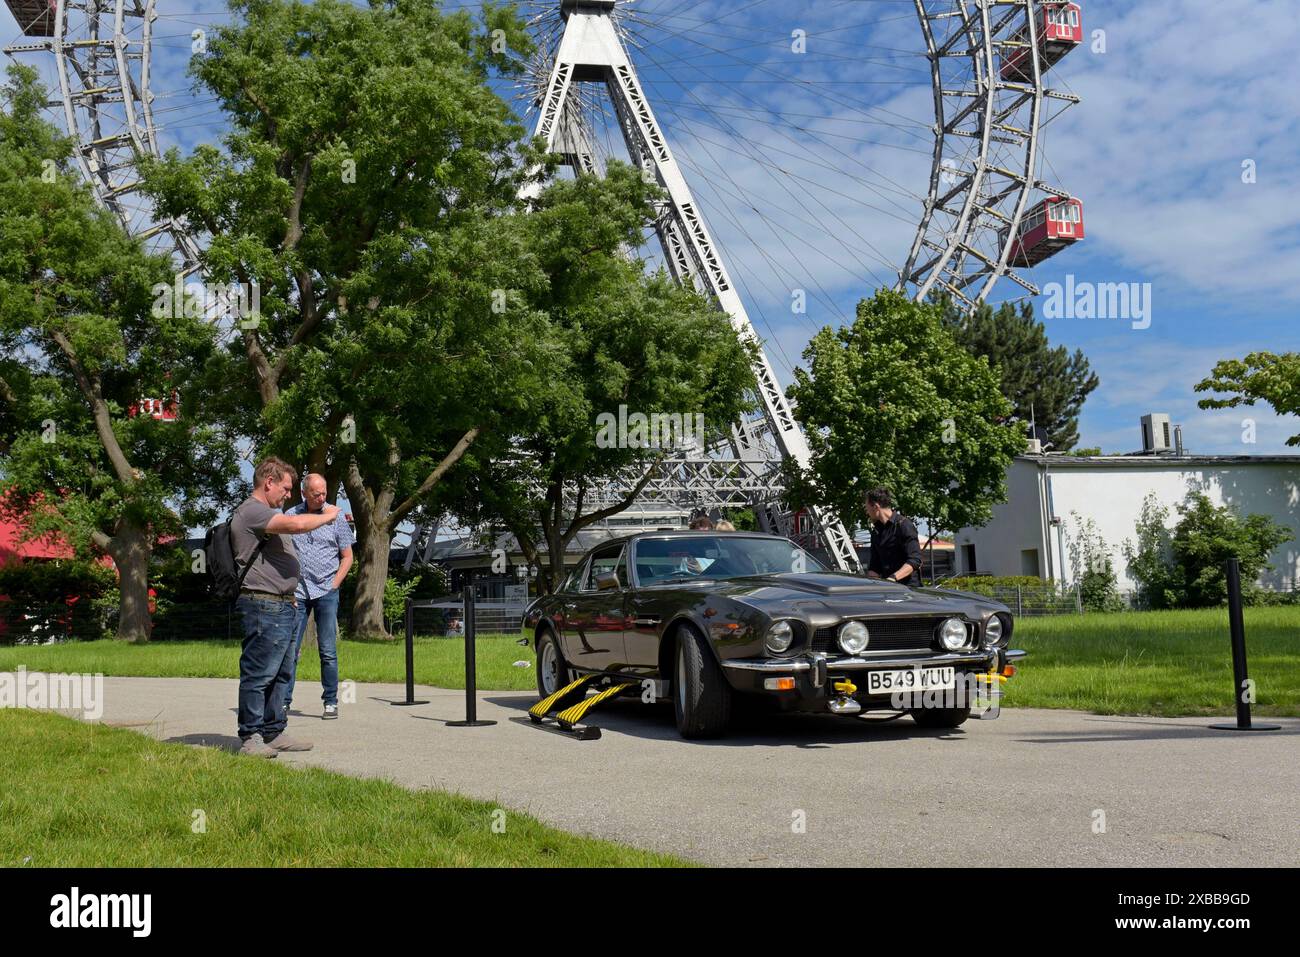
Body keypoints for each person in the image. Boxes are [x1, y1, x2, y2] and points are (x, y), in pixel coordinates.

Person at [231, 456, 340, 757]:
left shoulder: (265, 511)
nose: (288, 495)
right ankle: (251, 736)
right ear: (268, 483)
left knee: (282, 673)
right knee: (258, 673)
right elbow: (294, 525)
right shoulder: (254, 511)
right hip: (262, 604)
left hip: (281, 604)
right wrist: (329, 516)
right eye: (286, 488)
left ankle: (274, 731)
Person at [283, 473, 353, 720]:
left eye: (324, 493)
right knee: (290, 649)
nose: (321, 497)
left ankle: (331, 702)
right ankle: (283, 701)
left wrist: (334, 585)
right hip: (298, 592)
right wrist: (287, 588)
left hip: (326, 590)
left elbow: (347, 557)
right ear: (304, 493)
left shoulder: (335, 517)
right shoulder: (291, 517)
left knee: (328, 650)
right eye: (316, 494)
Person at [863, 488, 922, 586]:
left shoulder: (904, 525)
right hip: (888, 589)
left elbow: (915, 560)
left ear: (875, 506)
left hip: (909, 590)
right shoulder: (876, 532)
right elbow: (874, 567)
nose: (867, 512)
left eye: (867, 508)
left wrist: (892, 578)